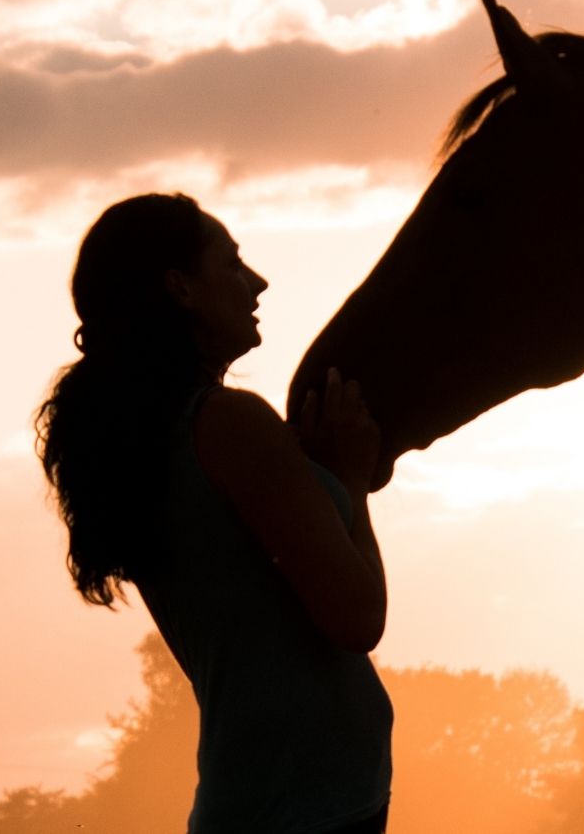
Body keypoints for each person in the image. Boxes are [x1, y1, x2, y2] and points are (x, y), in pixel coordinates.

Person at [36, 193, 392, 833]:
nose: (258, 282)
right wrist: (350, 480)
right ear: (181, 287)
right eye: (231, 264)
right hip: (305, 810)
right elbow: (358, 617)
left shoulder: (155, 440)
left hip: (276, 801)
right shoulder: (228, 423)